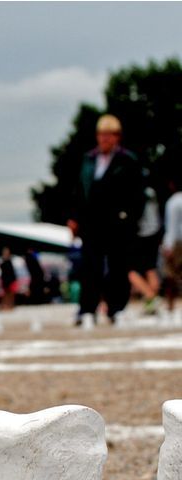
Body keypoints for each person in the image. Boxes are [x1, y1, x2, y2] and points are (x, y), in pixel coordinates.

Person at [68, 114, 145, 326]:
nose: (104, 139)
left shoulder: (127, 160)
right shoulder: (88, 160)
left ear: (117, 137)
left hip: (117, 223)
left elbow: (137, 194)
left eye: (109, 135)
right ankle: (87, 308)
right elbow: (78, 191)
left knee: (118, 266)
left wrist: (130, 218)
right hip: (91, 222)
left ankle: (116, 307)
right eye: (101, 135)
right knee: (89, 266)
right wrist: (74, 217)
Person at [129, 183, 163, 315]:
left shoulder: (137, 190)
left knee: (129, 270)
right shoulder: (152, 190)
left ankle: (151, 296)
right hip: (155, 232)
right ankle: (151, 303)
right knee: (150, 268)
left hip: (141, 234)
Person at [162, 175, 182, 314]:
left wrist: (168, 245)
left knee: (170, 274)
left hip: (177, 242)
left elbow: (172, 225)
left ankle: (170, 305)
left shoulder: (173, 202)